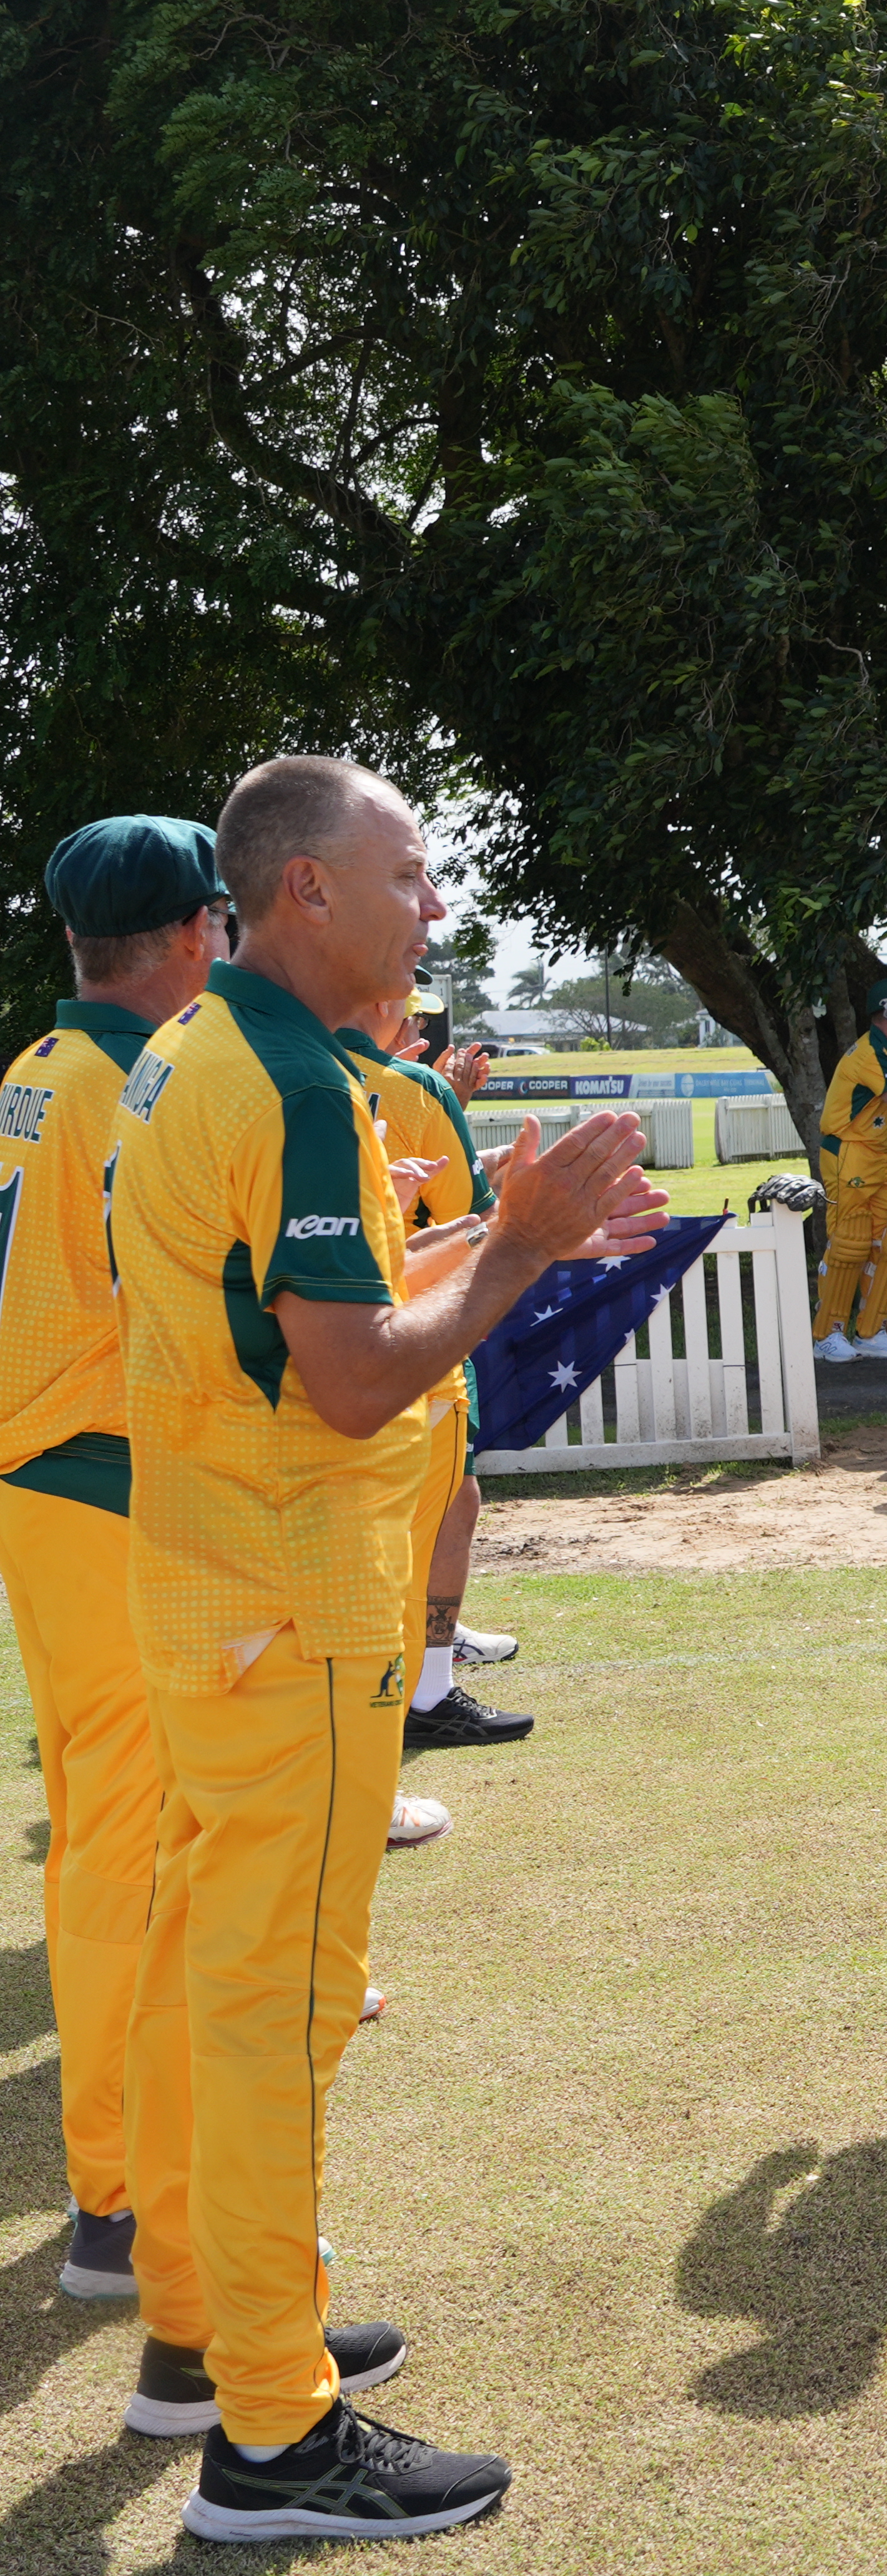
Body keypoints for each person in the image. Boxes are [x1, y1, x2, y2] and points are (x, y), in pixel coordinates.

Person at [119, 754, 664, 2539]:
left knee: (215, 1978)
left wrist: (497, 1233)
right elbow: (353, 1383)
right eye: (411, 874)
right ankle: (274, 2434)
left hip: (220, 1593)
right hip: (293, 1604)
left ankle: (207, 2333)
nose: (435, 906)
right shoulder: (281, 1077)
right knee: (276, 2011)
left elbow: (294, 1309)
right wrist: (516, 1251)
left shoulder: (222, 1049)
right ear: (306, 891)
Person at [0, 817, 228, 2316]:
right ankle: (117, 2196)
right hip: (99, 1477)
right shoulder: (132, 1082)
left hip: (49, 1477)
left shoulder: (41, 1062)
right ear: (196, 933)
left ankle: (118, 2180)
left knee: (103, 1829)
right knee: (124, 1850)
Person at [337, 993, 533, 1759]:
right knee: (438, 1510)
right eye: (414, 1013)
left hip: (331, 1338)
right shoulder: (413, 1087)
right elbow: (471, 1215)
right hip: (418, 1331)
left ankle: (424, 1669)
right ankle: (425, 1685)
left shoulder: (273, 1065)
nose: (422, 1030)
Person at [809, 975, 887, 1363]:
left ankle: (872, 1332)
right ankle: (827, 1334)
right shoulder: (869, 1054)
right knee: (849, 1242)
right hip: (850, 1153)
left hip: (880, 1153)